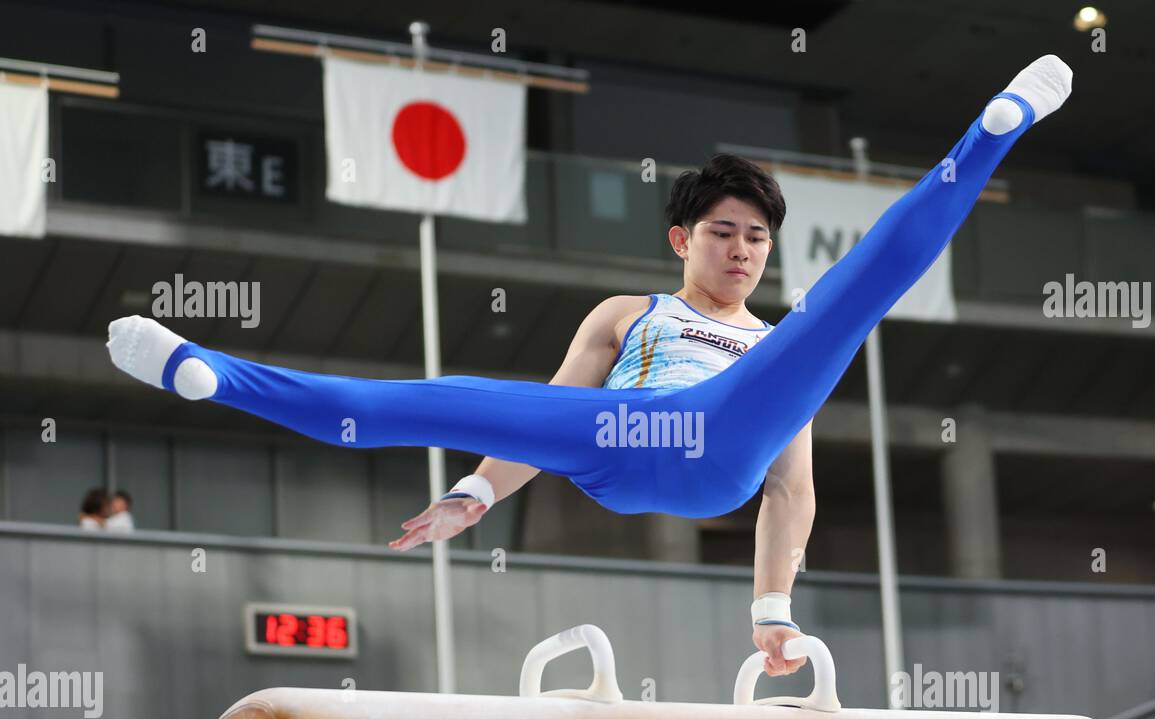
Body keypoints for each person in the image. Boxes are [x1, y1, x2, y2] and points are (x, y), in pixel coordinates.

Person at [106, 55, 1072, 677]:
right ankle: (212, 372)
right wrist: (478, 497)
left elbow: (792, 491)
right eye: (722, 233)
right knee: (440, 400)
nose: (741, 252)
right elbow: (550, 416)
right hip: (621, 437)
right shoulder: (626, 312)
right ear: (680, 238)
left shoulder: (779, 353)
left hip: (720, 452)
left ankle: (991, 131)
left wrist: (771, 608)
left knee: (845, 305)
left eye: (756, 241)